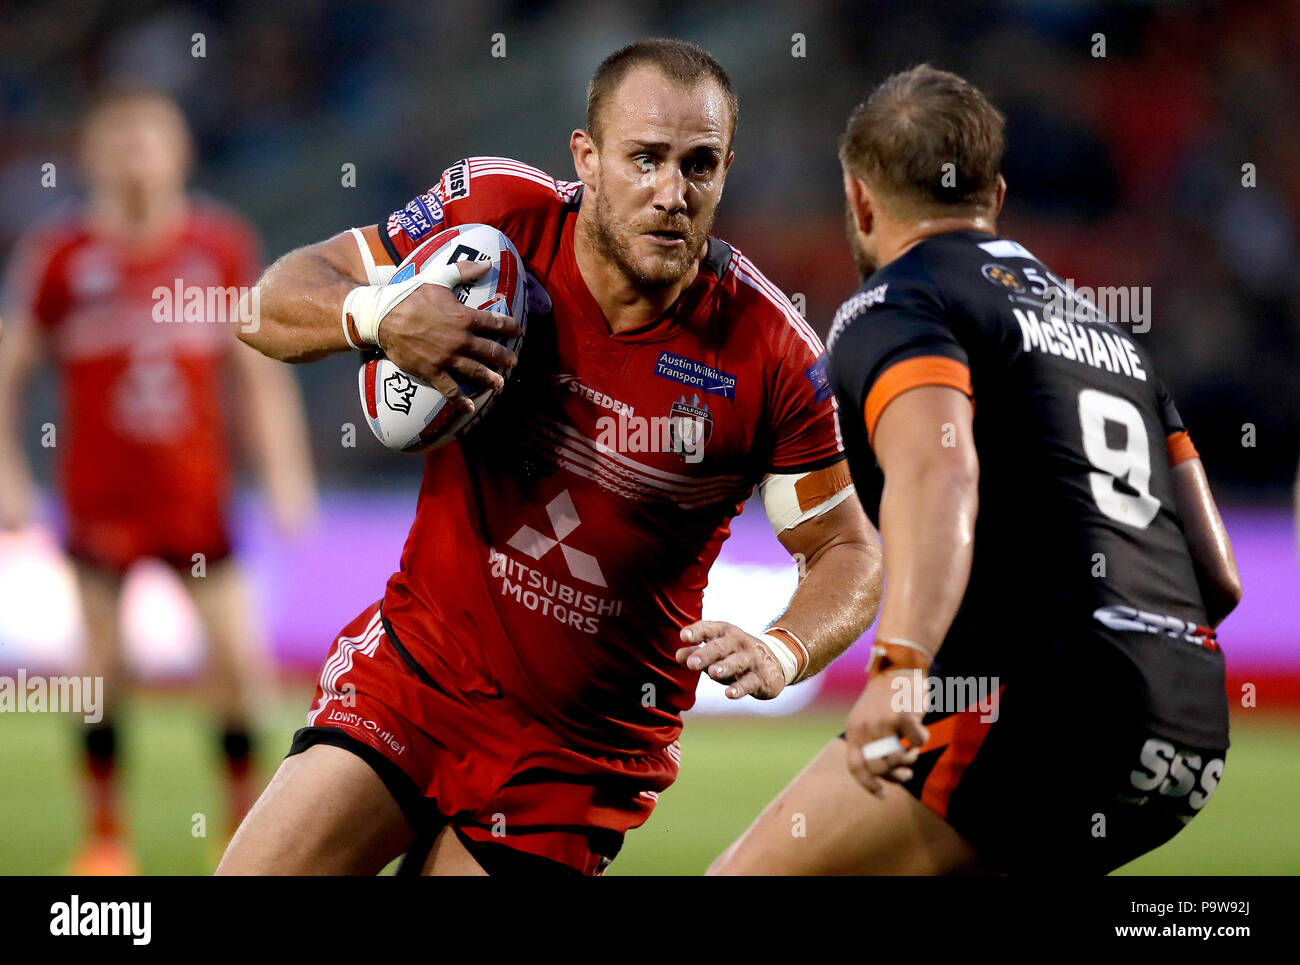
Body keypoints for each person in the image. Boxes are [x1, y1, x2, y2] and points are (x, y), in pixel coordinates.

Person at [219, 38, 882, 876]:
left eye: (700, 165)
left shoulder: (773, 352)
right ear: (588, 157)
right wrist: (379, 312)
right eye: (644, 159)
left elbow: (848, 549)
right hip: (419, 673)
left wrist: (786, 647)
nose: (672, 194)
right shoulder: (494, 217)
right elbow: (267, 304)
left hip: (577, 757)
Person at [709, 65, 1241, 875]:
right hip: (1190, 729)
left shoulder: (901, 306)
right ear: (994, 194)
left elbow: (938, 469)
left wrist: (902, 667)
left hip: (1039, 705)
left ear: (857, 199)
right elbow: (1219, 576)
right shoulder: (1109, 339)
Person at [0, 88, 317, 875]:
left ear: (180, 153)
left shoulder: (218, 246)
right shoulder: (62, 257)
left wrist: (286, 472)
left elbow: (258, 371)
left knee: (240, 670)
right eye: (123, 140)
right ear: (95, 156)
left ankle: (242, 834)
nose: (138, 155)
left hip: (197, 500)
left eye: (153, 140)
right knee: (102, 672)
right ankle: (105, 839)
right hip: (100, 500)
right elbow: (9, 368)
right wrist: (7, 472)